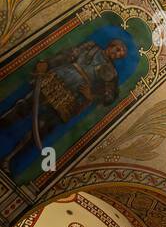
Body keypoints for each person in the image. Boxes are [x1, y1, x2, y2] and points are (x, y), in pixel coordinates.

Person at [1, 38, 128, 173]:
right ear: (111, 45)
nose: (116, 55)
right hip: (60, 77)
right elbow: (69, 55)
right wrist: (48, 64)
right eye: (117, 50)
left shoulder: (112, 74)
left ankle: (8, 159)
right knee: (24, 105)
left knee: (42, 127)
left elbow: (110, 96)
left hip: (72, 98)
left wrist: (92, 95)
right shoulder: (91, 47)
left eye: (120, 55)